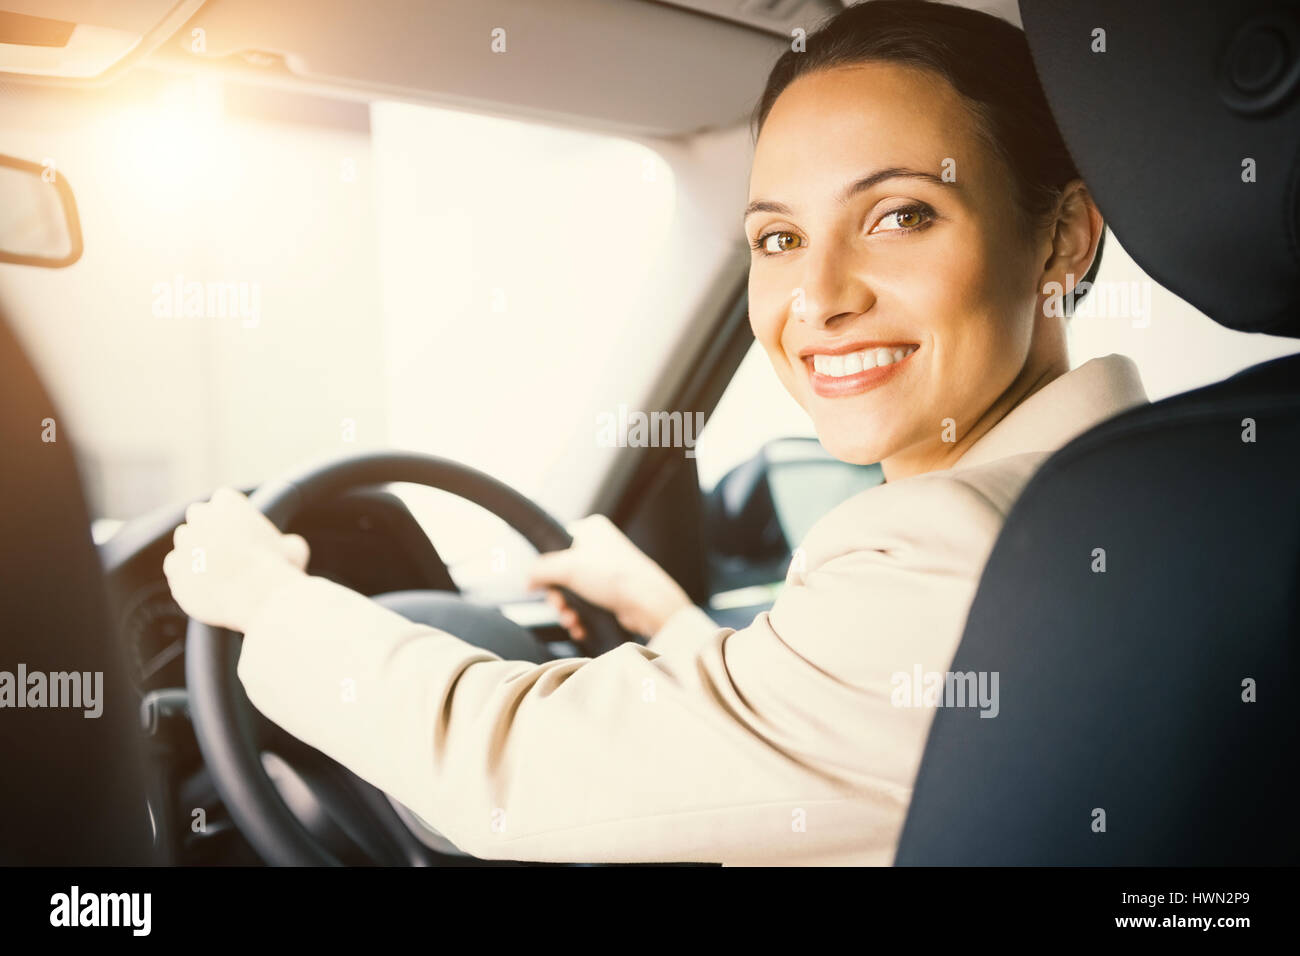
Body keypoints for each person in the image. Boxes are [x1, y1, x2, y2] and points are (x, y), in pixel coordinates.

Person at [163, 0, 1148, 865]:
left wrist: (266, 598)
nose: (817, 297)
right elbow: (832, 728)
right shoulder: (1137, 492)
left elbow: (513, 771)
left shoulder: (953, 553)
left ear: (1061, 234)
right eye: (778, 237)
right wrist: (667, 613)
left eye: (898, 215)